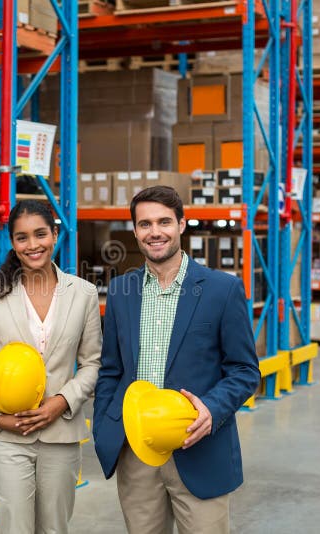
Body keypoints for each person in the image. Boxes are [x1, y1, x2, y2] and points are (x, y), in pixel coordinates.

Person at [92, 185, 261, 534]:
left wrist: (212, 410)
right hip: (136, 450)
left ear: (182, 225)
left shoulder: (221, 290)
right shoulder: (123, 291)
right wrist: (105, 425)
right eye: (145, 224)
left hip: (197, 445)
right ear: (136, 231)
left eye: (164, 222)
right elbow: (111, 369)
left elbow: (245, 371)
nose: (155, 232)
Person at [0, 200, 102, 534]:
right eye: (22, 237)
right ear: (12, 242)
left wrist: (61, 402)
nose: (33, 244)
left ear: (55, 234)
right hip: (8, 438)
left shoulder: (83, 293)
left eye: (41, 234)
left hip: (61, 434)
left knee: (54, 529)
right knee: (13, 529)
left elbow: (93, 363)